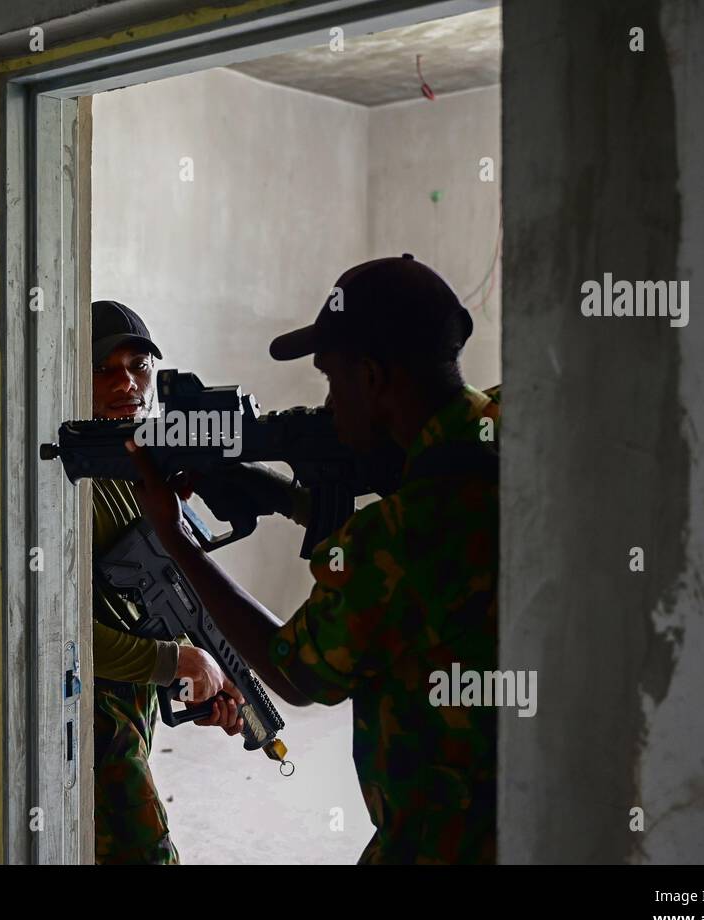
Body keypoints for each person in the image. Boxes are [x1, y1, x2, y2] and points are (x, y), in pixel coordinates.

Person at [124, 256, 500, 863]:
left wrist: (177, 540)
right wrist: (282, 496)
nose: (326, 404)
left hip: (446, 837)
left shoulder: (395, 538)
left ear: (373, 378)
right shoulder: (510, 427)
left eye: (330, 378)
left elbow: (298, 673)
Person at [88, 300, 243, 865]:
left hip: (132, 696)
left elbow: (160, 607)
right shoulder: (63, 476)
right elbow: (60, 633)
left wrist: (199, 686)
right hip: (87, 703)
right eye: (105, 369)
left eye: (139, 366)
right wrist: (176, 663)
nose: (126, 383)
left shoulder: (144, 470)